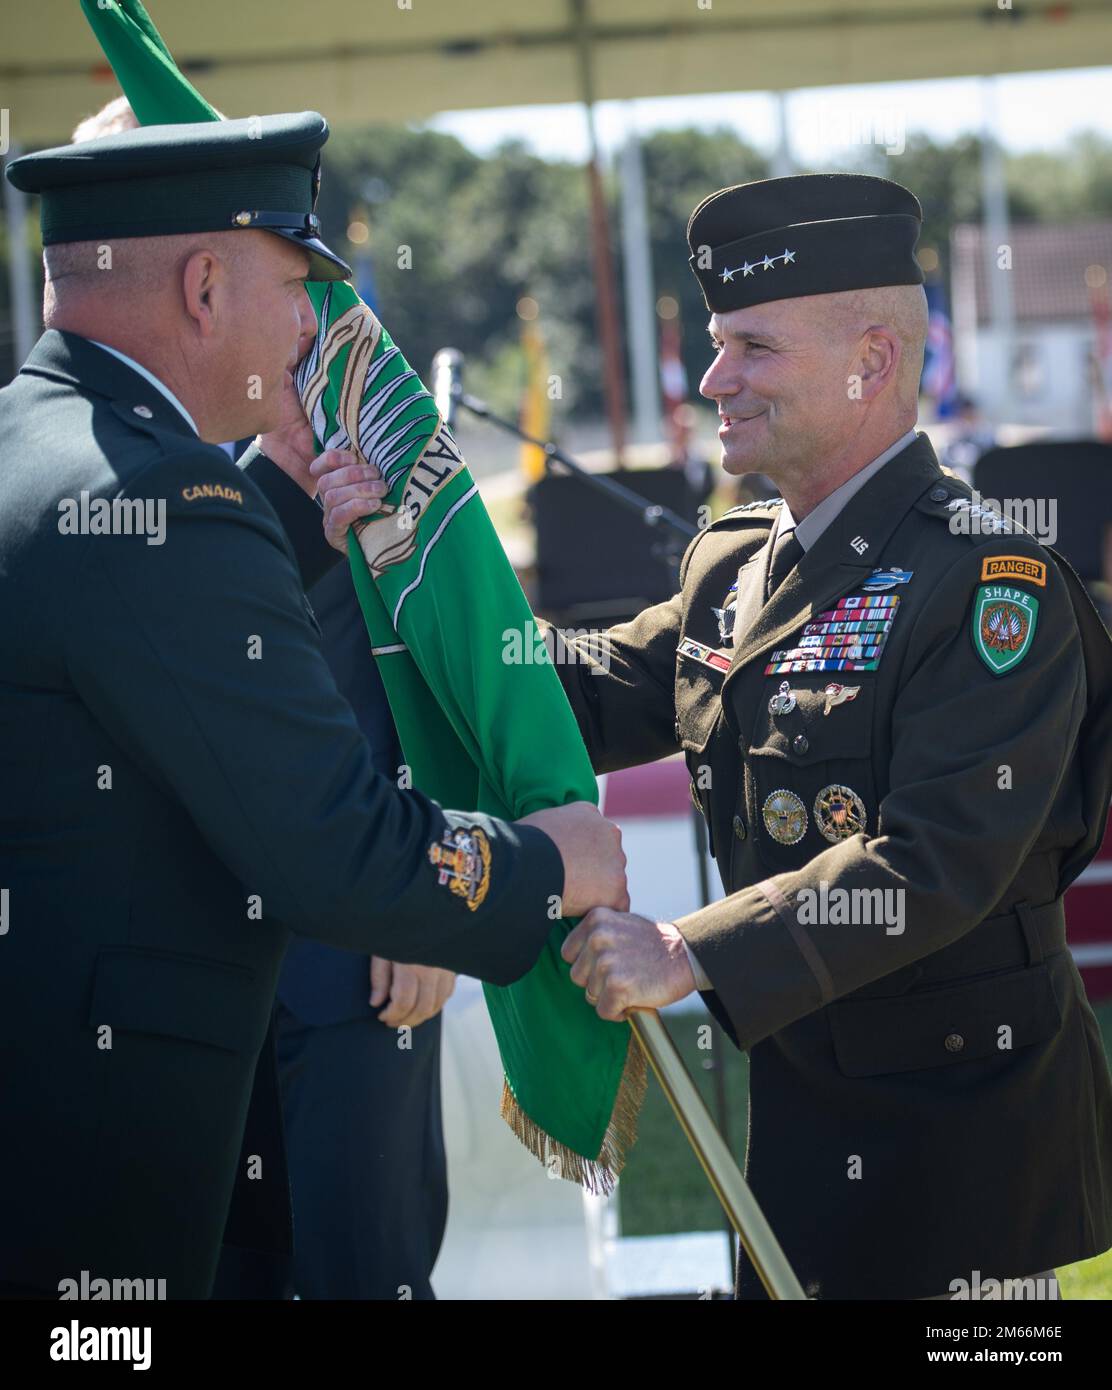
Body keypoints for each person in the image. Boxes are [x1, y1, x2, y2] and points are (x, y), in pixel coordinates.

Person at [319, 172, 1112, 1302]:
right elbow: (567, 692)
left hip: (958, 1172)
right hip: (794, 1141)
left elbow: (936, 862)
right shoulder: (733, 564)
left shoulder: (992, 584)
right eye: (712, 344)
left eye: (752, 348)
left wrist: (687, 950)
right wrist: (401, 562)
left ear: (870, 360)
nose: (710, 381)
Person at [0, 112, 627, 1300]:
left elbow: (146, 665)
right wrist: (547, 864)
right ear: (201, 286)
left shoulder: (40, 452)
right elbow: (328, 847)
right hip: (113, 1166)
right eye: (298, 286)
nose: (313, 327)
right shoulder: (167, 497)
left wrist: (290, 511)